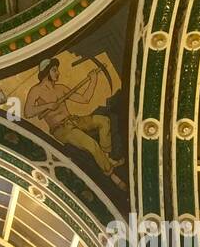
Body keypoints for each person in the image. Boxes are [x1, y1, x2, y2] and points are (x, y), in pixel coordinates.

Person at [22, 57, 125, 188]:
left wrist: (93, 80)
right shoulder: (36, 90)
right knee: (91, 144)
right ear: (46, 72)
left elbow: (85, 99)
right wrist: (47, 106)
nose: (58, 73)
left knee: (103, 121)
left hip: (74, 120)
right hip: (61, 129)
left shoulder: (60, 88)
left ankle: (106, 157)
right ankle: (112, 175)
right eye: (54, 70)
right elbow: (28, 112)